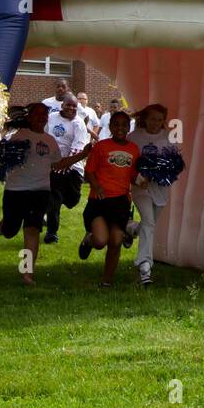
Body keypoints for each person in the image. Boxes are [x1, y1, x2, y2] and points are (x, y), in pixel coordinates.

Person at [0, 102, 84, 285]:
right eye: (37, 114)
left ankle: (27, 273)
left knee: (32, 231)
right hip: (15, 192)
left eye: (44, 115)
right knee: (10, 232)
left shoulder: (50, 140)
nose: (41, 117)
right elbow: (4, 159)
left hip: (40, 192)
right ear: (29, 117)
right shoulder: (18, 137)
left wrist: (83, 155)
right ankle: (6, 224)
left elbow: (58, 164)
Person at [79, 110, 140, 286]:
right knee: (100, 241)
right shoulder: (101, 146)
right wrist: (96, 186)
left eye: (124, 125)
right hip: (99, 200)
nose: (120, 128)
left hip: (120, 202)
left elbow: (133, 175)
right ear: (110, 126)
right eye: (116, 124)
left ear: (129, 127)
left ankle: (106, 281)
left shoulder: (134, 149)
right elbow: (89, 171)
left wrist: (142, 180)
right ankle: (88, 240)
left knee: (116, 240)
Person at [127, 103, 184, 286]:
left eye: (159, 120)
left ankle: (130, 228)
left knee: (148, 225)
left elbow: (176, 163)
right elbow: (129, 162)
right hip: (141, 188)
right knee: (149, 223)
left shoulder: (169, 137)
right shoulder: (134, 137)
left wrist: (165, 172)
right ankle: (145, 267)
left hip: (161, 188)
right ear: (145, 118)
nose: (155, 123)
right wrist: (138, 178)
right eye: (152, 119)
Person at [43, 93, 91, 243]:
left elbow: (78, 149)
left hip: (73, 169)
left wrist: (64, 164)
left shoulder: (79, 123)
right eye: (68, 105)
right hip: (53, 167)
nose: (71, 108)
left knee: (72, 200)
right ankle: (51, 233)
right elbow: (43, 137)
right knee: (54, 199)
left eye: (74, 106)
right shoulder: (51, 118)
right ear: (62, 105)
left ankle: (50, 207)